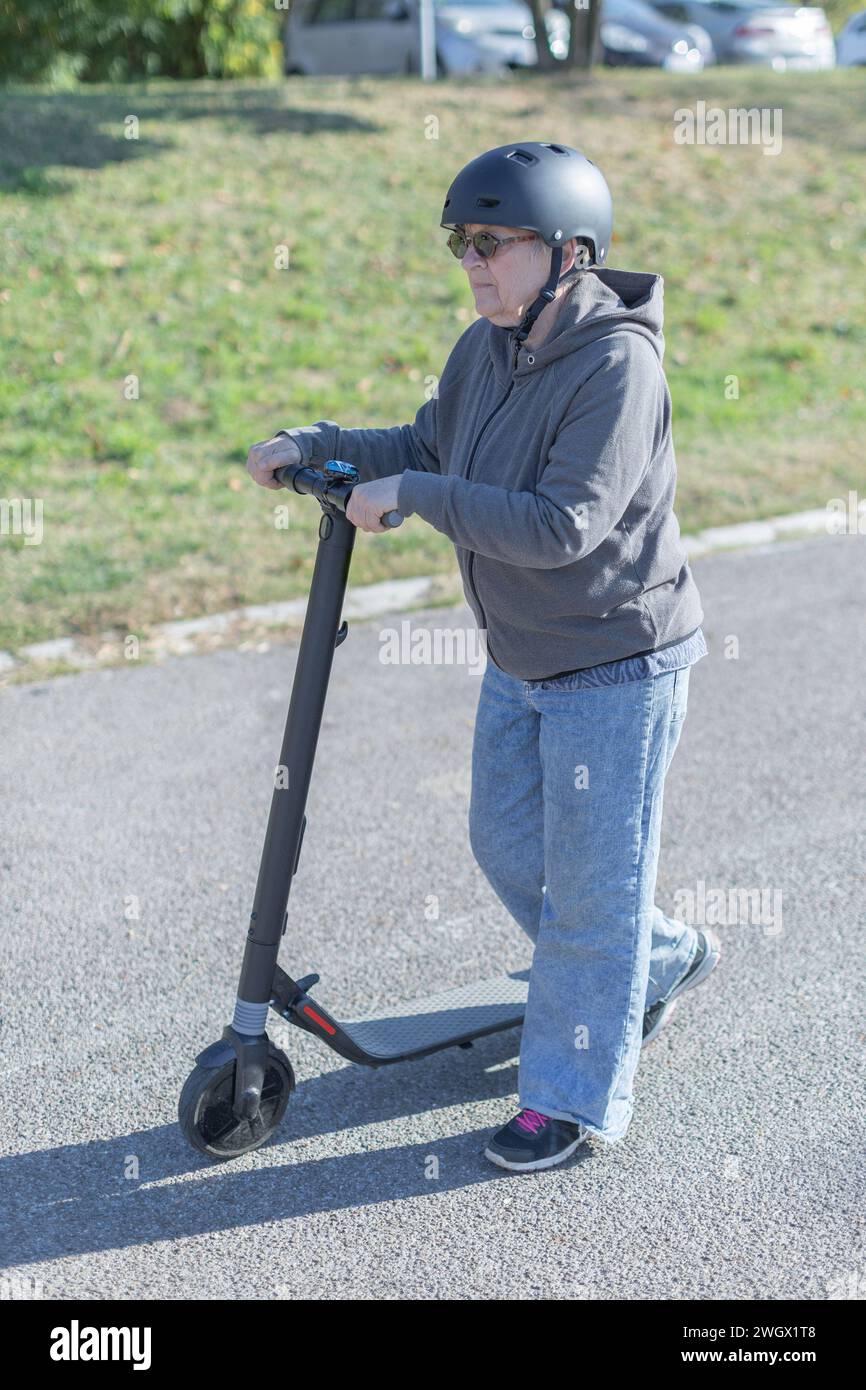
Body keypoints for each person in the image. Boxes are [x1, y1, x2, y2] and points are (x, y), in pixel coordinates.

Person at [247, 141, 721, 1174]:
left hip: (616, 663)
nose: (469, 260)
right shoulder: (486, 346)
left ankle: (569, 1102)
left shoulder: (615, 366)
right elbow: (427, 442)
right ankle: (665, 954)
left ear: (568, 252)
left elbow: (564, 526)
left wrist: (416, 502)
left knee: (590, 897)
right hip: (521, 655)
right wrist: (316, 443)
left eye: (490, 243)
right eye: (460, 241)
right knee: (509, 845)